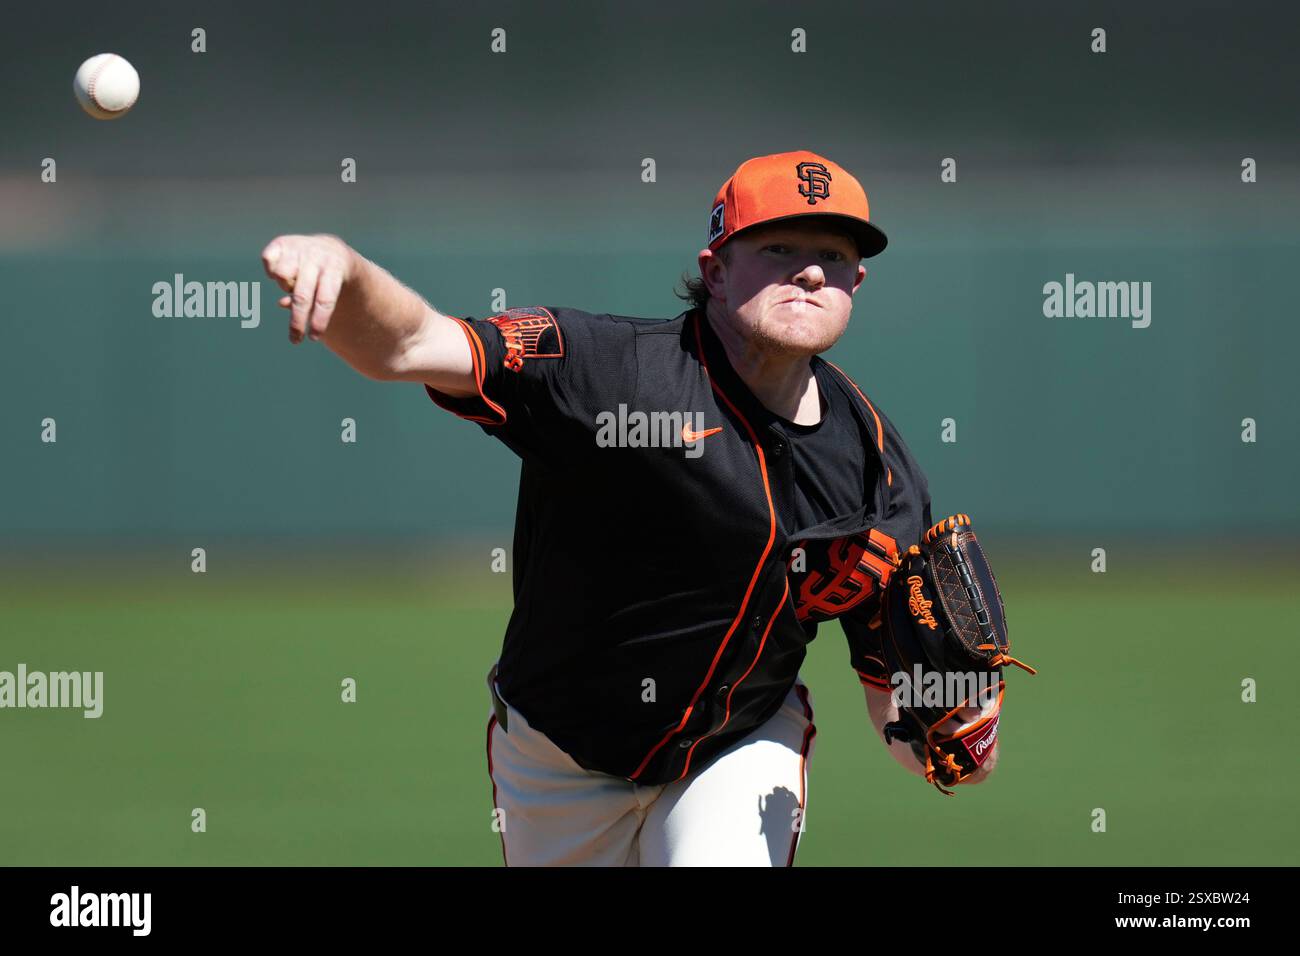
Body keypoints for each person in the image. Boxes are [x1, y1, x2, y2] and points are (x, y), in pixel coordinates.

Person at [260, 149, 996, 867]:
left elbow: (886, 678)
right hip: (558, 754)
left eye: (833, 256)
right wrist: (345, 268)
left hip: (732, 747)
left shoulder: (875, 468)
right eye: (777, 246)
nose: (809, 270)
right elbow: (413, 344)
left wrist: (944, 728)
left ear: (855, 284)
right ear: (714, 270)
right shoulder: (607, 370)